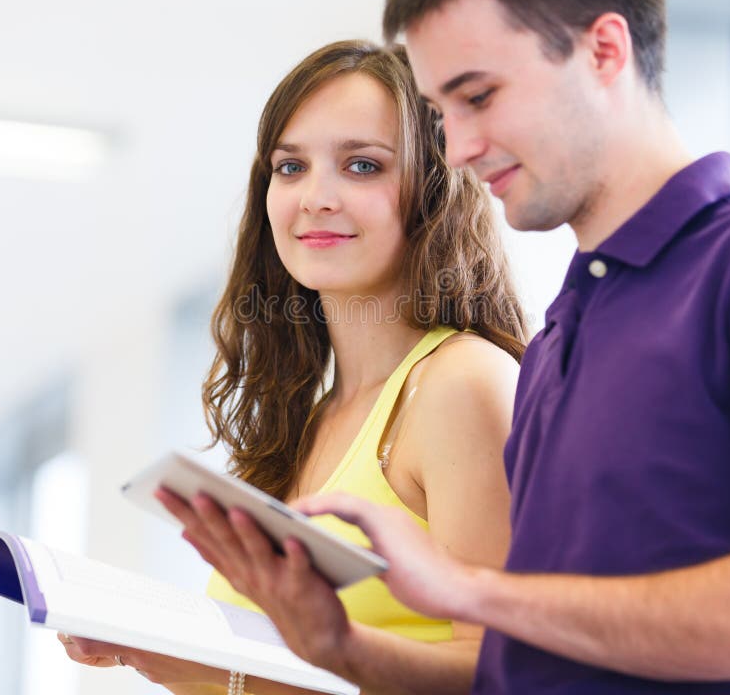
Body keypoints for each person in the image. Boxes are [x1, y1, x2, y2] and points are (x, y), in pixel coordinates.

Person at [159, 0, 730, 694]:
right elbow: (516, 671)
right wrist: (332, 649)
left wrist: (469, 591)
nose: (456, 149)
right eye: (444, 112)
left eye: (478, 97)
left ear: (603, 50)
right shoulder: (564, 337)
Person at [60, 39, 527, 693]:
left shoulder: (462, 384)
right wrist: (159, 652)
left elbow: (508, 675)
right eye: (290, 166)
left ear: (434, 191)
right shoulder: (313, 420)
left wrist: (212, 673)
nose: (316, 197)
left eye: (362, 166)